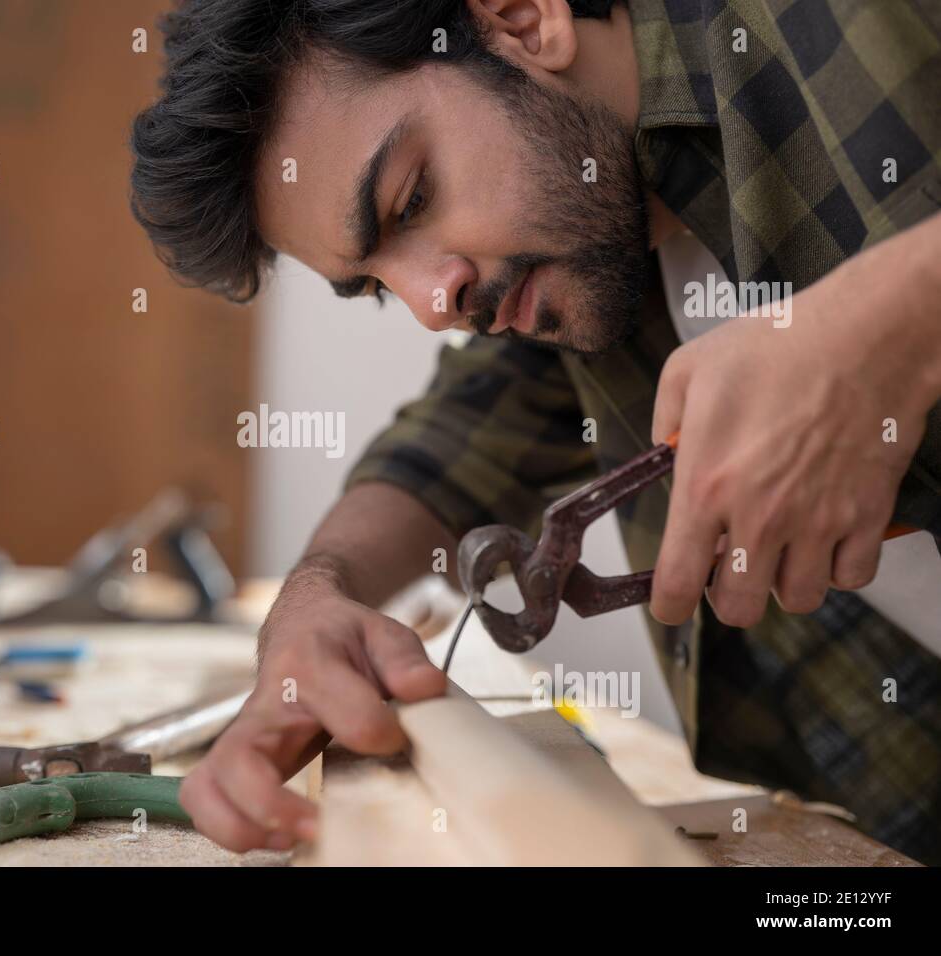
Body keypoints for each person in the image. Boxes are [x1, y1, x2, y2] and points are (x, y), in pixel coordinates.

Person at [129, 0, 941, 862]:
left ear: (522, 20)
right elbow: (453, 441)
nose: (431, 306)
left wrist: (885, 327)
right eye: (374, 284)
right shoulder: (596, 237)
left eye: (410, 202)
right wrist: (318, 601)